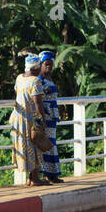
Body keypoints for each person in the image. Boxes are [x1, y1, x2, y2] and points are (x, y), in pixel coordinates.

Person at [11, 54, 48, 186]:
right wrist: (43, 118)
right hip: (30, 119)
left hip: (17, 117)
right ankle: (35, 179)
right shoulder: (35, 81)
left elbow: (18, 95)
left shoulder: (19, 78)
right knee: (35, 145)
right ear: (37, 68)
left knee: (25, 146)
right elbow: (37, 102)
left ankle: (30, 178)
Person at [37, 51, 63, 183]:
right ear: (40, 65)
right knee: (46, 145)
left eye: (50, 64)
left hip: (52, 116)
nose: (48, 67)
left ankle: (53, 174)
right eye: (46, 64)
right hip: (46, 115)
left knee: (51, 144)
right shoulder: (39, 81)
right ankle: (46, 174)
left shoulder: (49, 79)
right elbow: (38, 100)